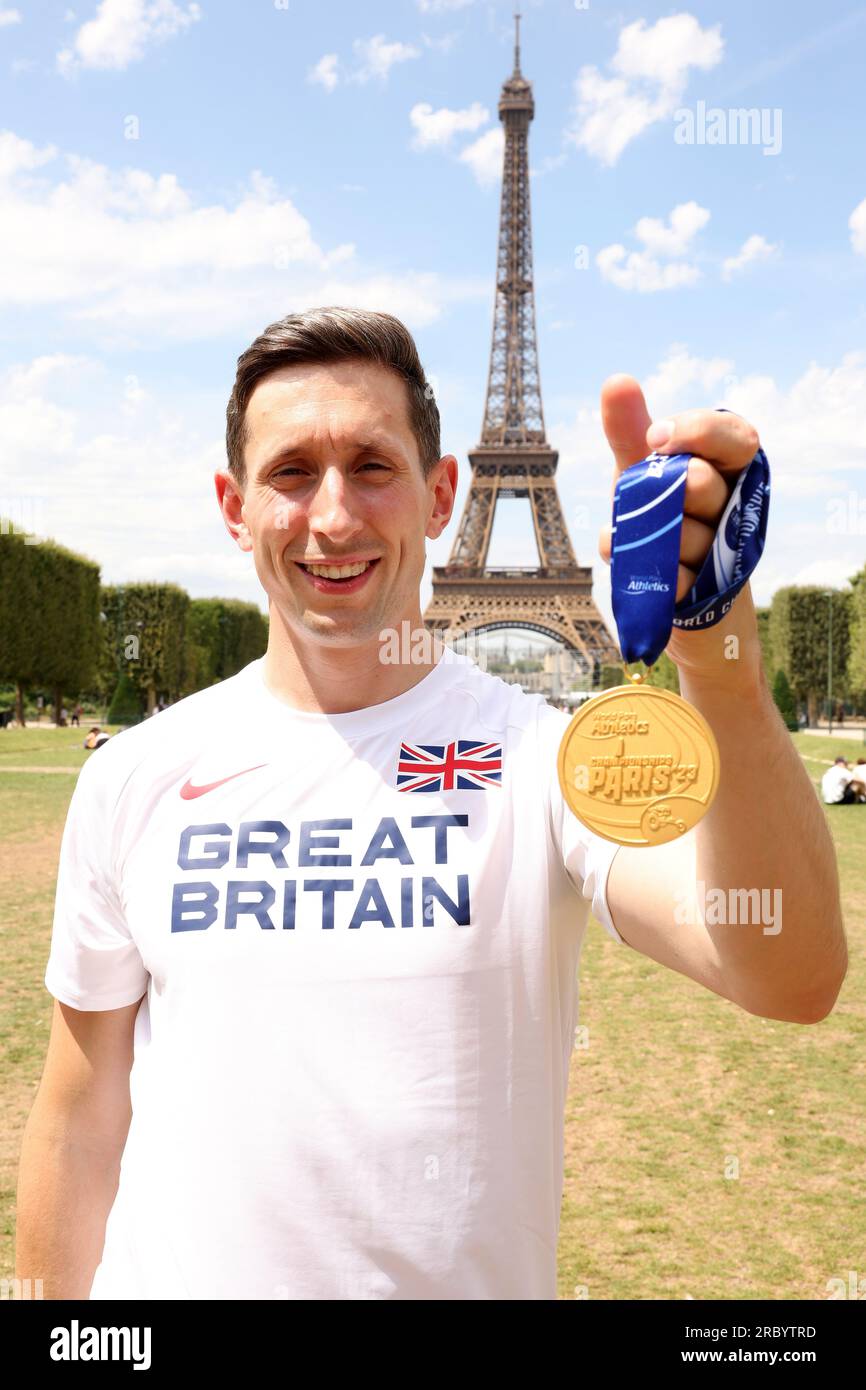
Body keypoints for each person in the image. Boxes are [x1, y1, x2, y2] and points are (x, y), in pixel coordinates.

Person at [17, 307, 847, 1302]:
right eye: (290, 473)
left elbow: (787, 973)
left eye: (371, 465)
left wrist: (715, 657)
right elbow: (79, 1118)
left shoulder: (544, 758)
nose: (331, 516)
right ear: (232, 507)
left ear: (441, 492)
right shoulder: (133, 776)